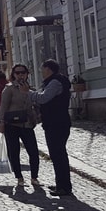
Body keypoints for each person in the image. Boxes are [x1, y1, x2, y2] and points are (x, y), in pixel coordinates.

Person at [30, 58, 73, 197]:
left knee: (58, 155)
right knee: (57, 155)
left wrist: (28, 93)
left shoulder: (55, 82)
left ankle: (64, 187)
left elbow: (44, 98)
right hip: (55, 122)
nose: (41, 72)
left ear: (48, 69)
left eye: (42, 69)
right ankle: (61, 184)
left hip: (57, 123)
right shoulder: (53, 81)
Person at [0, 64, 41, 189]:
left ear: (27, 74)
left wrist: (36, 118)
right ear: (13, 75)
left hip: (27, 124)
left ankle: (34, 177)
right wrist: (1, 122)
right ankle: (19, 177)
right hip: (12, 124)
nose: (20, 75)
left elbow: (35, 105)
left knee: (33, 152)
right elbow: (3, 106)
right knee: (14, 152)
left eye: (23, 72)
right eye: (17, 73)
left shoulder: (30, 89)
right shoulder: (9, 88)